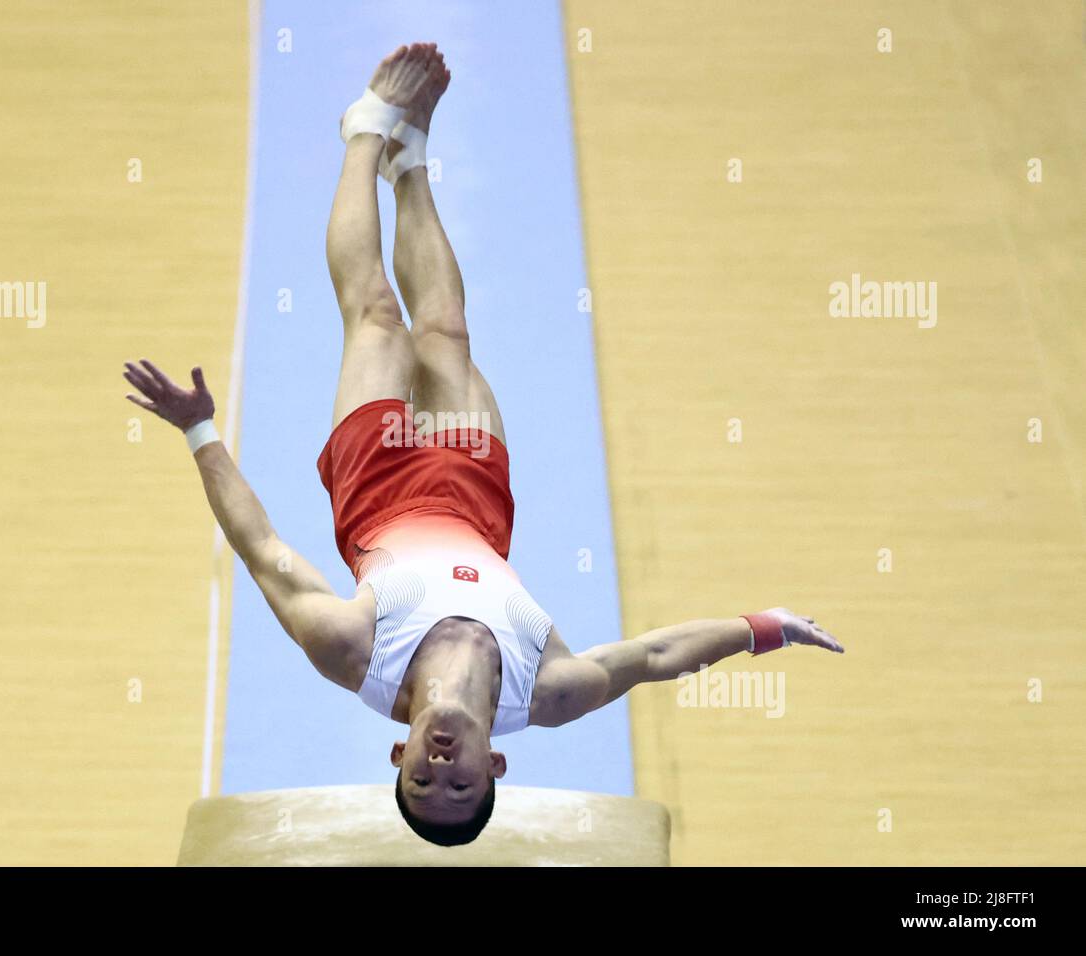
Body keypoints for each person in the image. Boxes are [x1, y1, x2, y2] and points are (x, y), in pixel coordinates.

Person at [123, 43, 843, 847]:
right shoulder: (548, 691)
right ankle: (411, 160)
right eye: (458, 783)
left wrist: (199, 430)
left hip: (379, 485)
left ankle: (364, 132)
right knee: (446, 328)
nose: (440, 766)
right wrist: (765, 627)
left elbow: (260, 549)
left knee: (377, 317)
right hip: (475, 493)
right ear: (494, 765)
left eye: (420, 778)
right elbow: (658, 654)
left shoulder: (352, 651)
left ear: (397, 753)